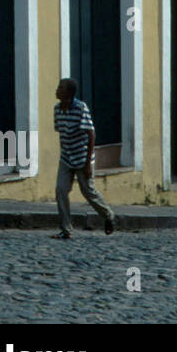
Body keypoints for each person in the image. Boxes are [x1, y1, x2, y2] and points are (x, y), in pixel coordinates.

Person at [53, 78, 115, 239]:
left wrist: (88, 164)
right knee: (60, 190)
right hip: (66, 157)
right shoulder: (57, 109)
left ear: (68, 92)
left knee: (88, 192)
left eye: (60, 87)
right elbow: (61, 132)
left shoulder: (81, 108)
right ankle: (66, 229)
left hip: (82, 157)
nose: (57, 90)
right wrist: (64, 153)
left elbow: (91, 134)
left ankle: (108, 215)